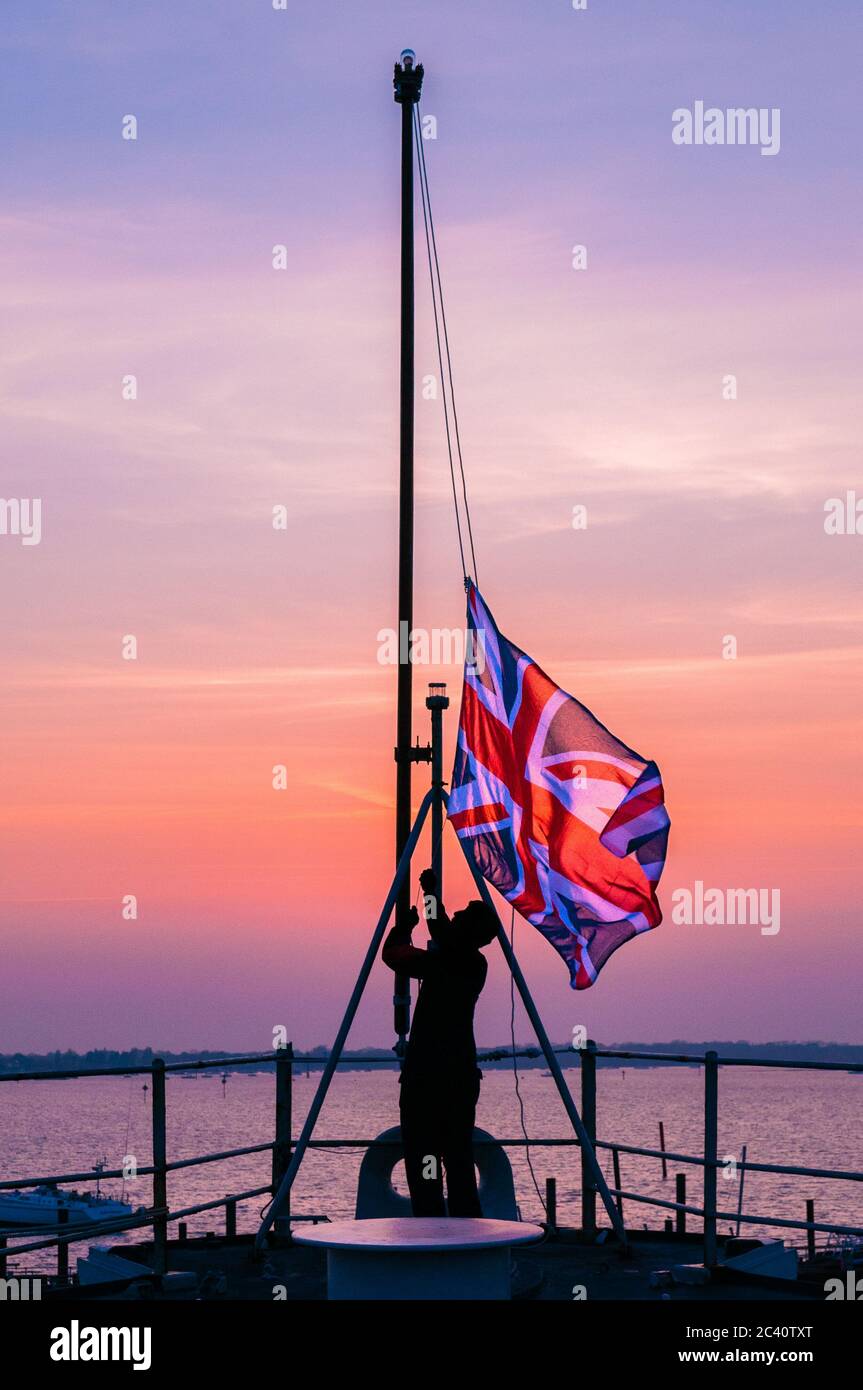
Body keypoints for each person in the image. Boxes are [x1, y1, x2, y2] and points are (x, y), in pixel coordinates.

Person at [382, 868, 498, 1217]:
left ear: (469, 931)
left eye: (461, 916)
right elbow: (441, 930)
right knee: (457, 1156)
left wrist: (414, 915)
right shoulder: (470, 964)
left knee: (426, 1156)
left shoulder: (451, 962)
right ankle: (464, 1231)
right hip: (457, 1081)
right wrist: (428, 900)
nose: (455, 916)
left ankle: (432, 1225)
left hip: (427, 1082)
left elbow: (396, 955)